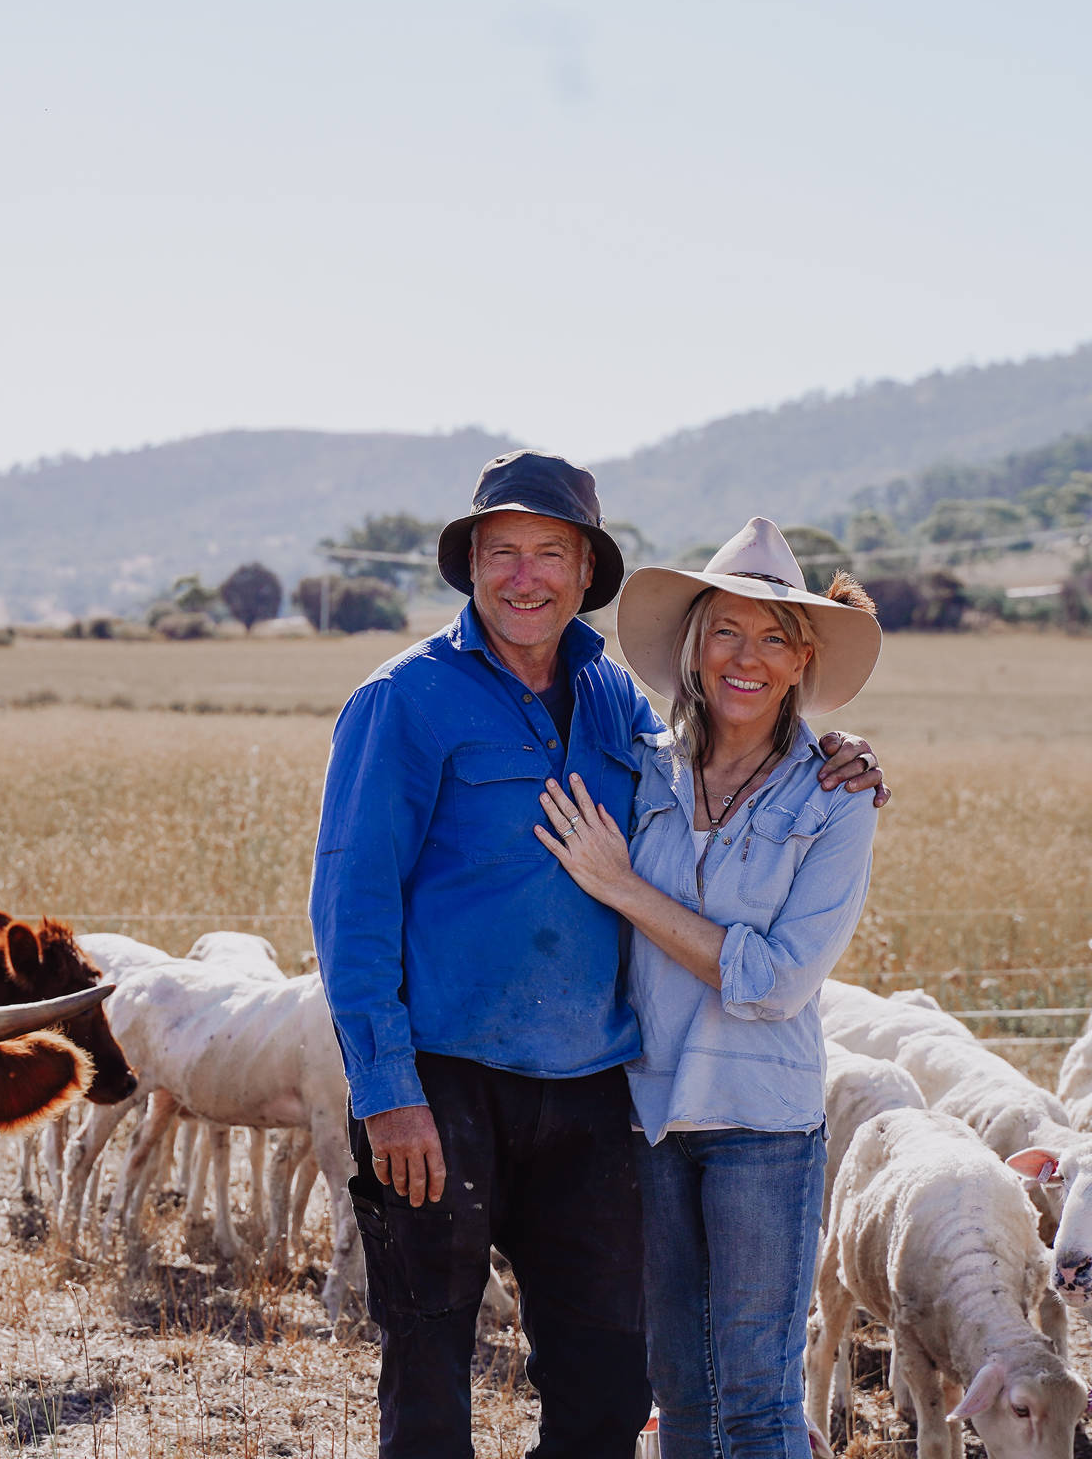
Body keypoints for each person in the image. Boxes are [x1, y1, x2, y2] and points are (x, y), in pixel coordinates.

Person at [310, 455, 887, 1459]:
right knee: (431, 1361)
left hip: (592, 1094)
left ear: (588, 573)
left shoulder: (618, 704)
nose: (525, 578)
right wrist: (385, 1089)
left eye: (550, 554)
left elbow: (733, 750)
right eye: (503, 554)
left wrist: (846, 753)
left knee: (609, 1381)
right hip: (442, 1082)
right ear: (472, 567)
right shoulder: (402, 699)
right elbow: (350, 903)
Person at [532, 516, 886, 1459]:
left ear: (802, 658)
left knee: (761, 1398)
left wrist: (625, 887)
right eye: (727, 629)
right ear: (693, 643)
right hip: (648, 1110)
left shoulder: (836, 800)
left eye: (775, 637)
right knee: (680, 1394)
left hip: (761, 1124)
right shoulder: (641, 769)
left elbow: (771, 983)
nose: (748, 657)